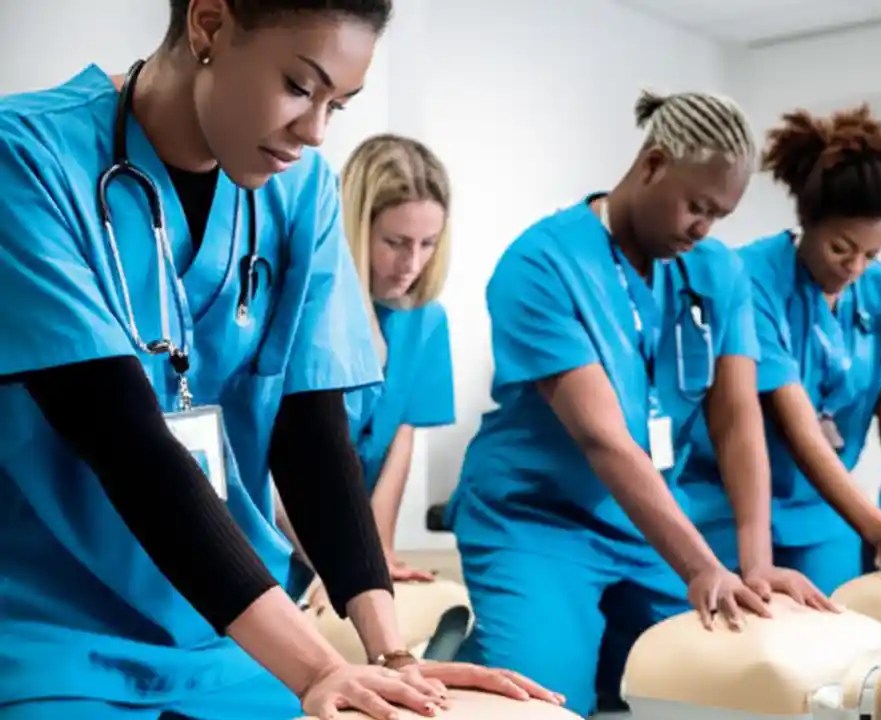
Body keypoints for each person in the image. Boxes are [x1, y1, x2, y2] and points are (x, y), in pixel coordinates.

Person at [0, 2, 556, 718]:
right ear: (208, 25)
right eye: (299, 86)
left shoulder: (303, 189)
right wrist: (319, 667)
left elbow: (312, 436)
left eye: (339, 105)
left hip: (234, 637)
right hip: (51, 631)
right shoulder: (28, 157)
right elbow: (124, 440)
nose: (315, 131)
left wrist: (392, 657)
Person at [444, 89, 827, 716]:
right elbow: (605, 440)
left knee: (715, 684)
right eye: (696, 205)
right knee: (546, 699)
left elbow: (736, 422)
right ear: (651, 164)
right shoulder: (542, 263)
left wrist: (754, 565)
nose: (704, 228)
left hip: (645, 522)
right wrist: (703, 568)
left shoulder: (718, 271)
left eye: (719, 215)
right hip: (538, 518)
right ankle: (473, 652)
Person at [681, 105, 881, 596]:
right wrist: (878, 529)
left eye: (871, 255)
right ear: (808, 222)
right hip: (728, 505)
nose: (854, 266)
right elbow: (799, 426)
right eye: (840, 248)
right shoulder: (754, 278)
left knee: (833, 637)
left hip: (822, 510)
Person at [282, 133, 455, 603]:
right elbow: (271, 464)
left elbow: (399, 445)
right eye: (396, 242)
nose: (412, 263)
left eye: (427, 243)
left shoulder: (427, 322)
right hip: (276, 541)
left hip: (346, 546)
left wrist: (378, 558)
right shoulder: (303, 305)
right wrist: (334, 567)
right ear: (358, 229)